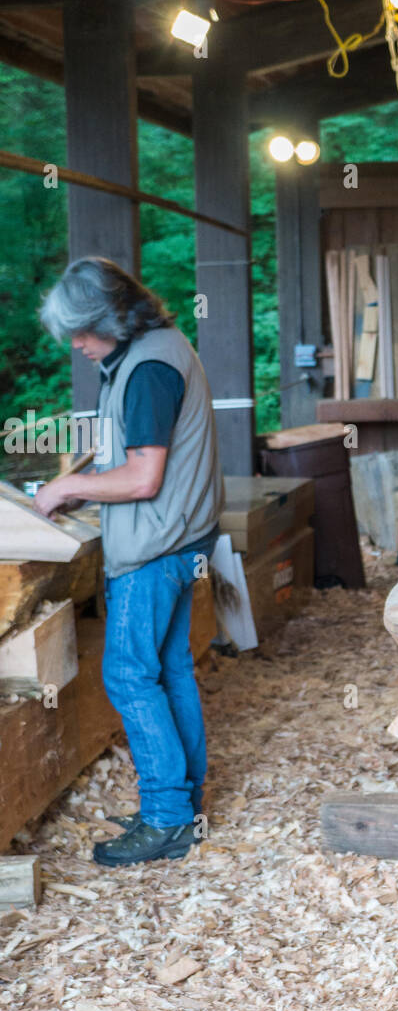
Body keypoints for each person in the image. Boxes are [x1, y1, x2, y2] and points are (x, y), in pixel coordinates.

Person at [35, 257, 223, 868]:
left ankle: (167, 819)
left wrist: (67, 490)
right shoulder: (155, 351)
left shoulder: (146, 369)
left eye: (84, 331)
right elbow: (132, 457)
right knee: (169, 669)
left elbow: (144, 477)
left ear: (115, 317)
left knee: (128, 675)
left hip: (155, 548)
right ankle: (182, 809)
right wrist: (81, 481)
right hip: (179, 539)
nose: (78, 345)